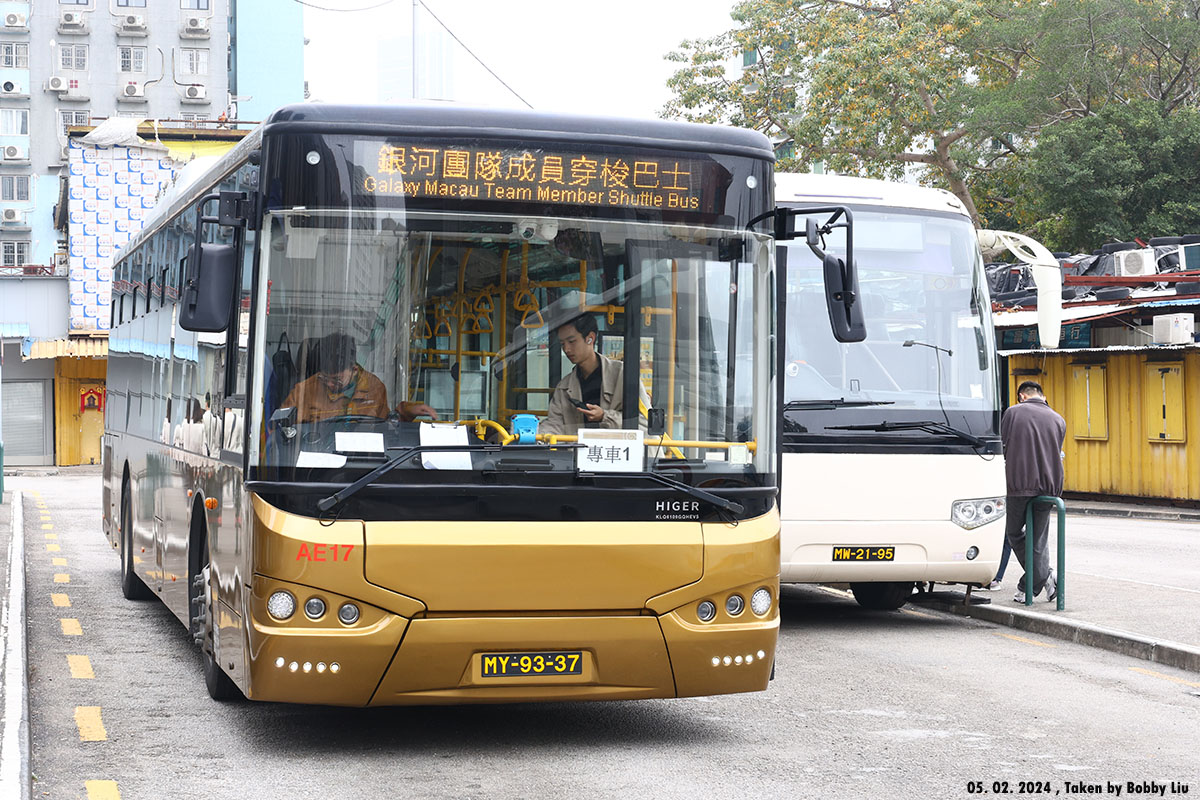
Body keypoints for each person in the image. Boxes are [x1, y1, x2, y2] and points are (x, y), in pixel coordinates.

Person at [1002, 380, 1066, 603]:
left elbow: (1004, 445)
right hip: (1049, 486)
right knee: (1038, 539)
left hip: (1019, 484)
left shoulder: (1012, 413)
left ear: (1021, 396)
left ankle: (1038, 578)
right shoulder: (1058, 419)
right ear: (1042, 395)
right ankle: (1043, 579)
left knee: (1014, 532)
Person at [283, 332, 437, 423]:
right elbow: (276, 428)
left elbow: (386, 426)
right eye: (324, 378)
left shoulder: (374, 388)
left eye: (336, 380)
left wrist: (407, 411)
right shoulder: (303, 391)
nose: (329, 384)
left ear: (354, 369)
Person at [540, 314, 649, 436]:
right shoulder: (564, 387)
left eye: (571, 341)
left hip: (619, 453)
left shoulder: (623, 374)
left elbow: (645, 423)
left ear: (590, 338)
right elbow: (555, 425)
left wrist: (604, 416)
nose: (566, 349)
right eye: (562, 344)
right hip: (581, 454)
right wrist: (533, 433)